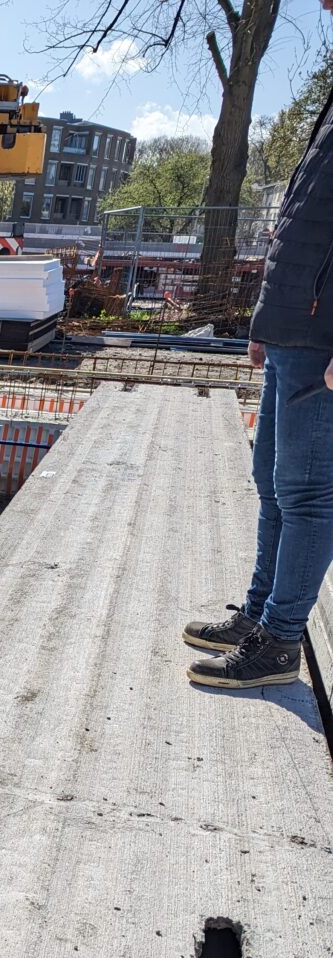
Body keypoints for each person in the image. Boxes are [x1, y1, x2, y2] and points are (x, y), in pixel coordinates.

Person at [184, 77, 333, 690]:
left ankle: (279, 642)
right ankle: (259, 616)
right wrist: (262, 324)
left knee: (306, 497)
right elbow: (300, 227)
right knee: (271, 486)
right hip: (290, 332)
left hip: (320, 338)